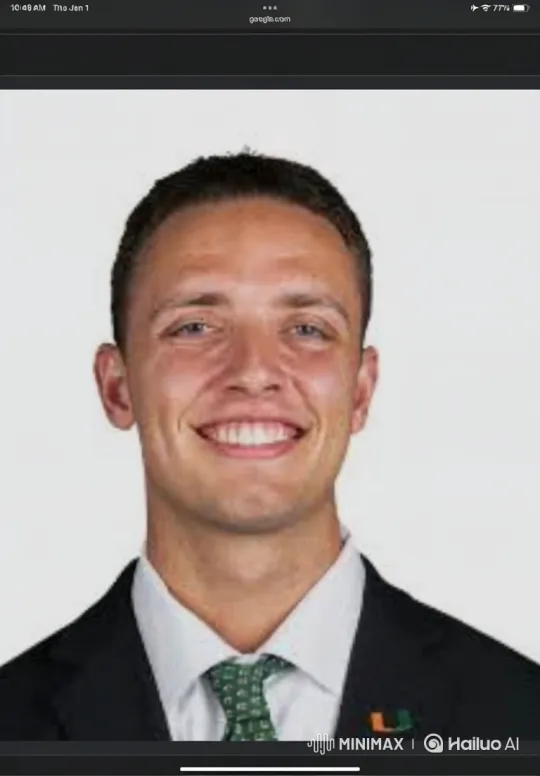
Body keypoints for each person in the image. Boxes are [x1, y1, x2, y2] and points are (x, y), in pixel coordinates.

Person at [0, 151, 539, 743]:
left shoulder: (521, 719)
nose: (254, 371)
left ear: (361, 391)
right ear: (117, 386)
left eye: (307, 329)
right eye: (194, 327)